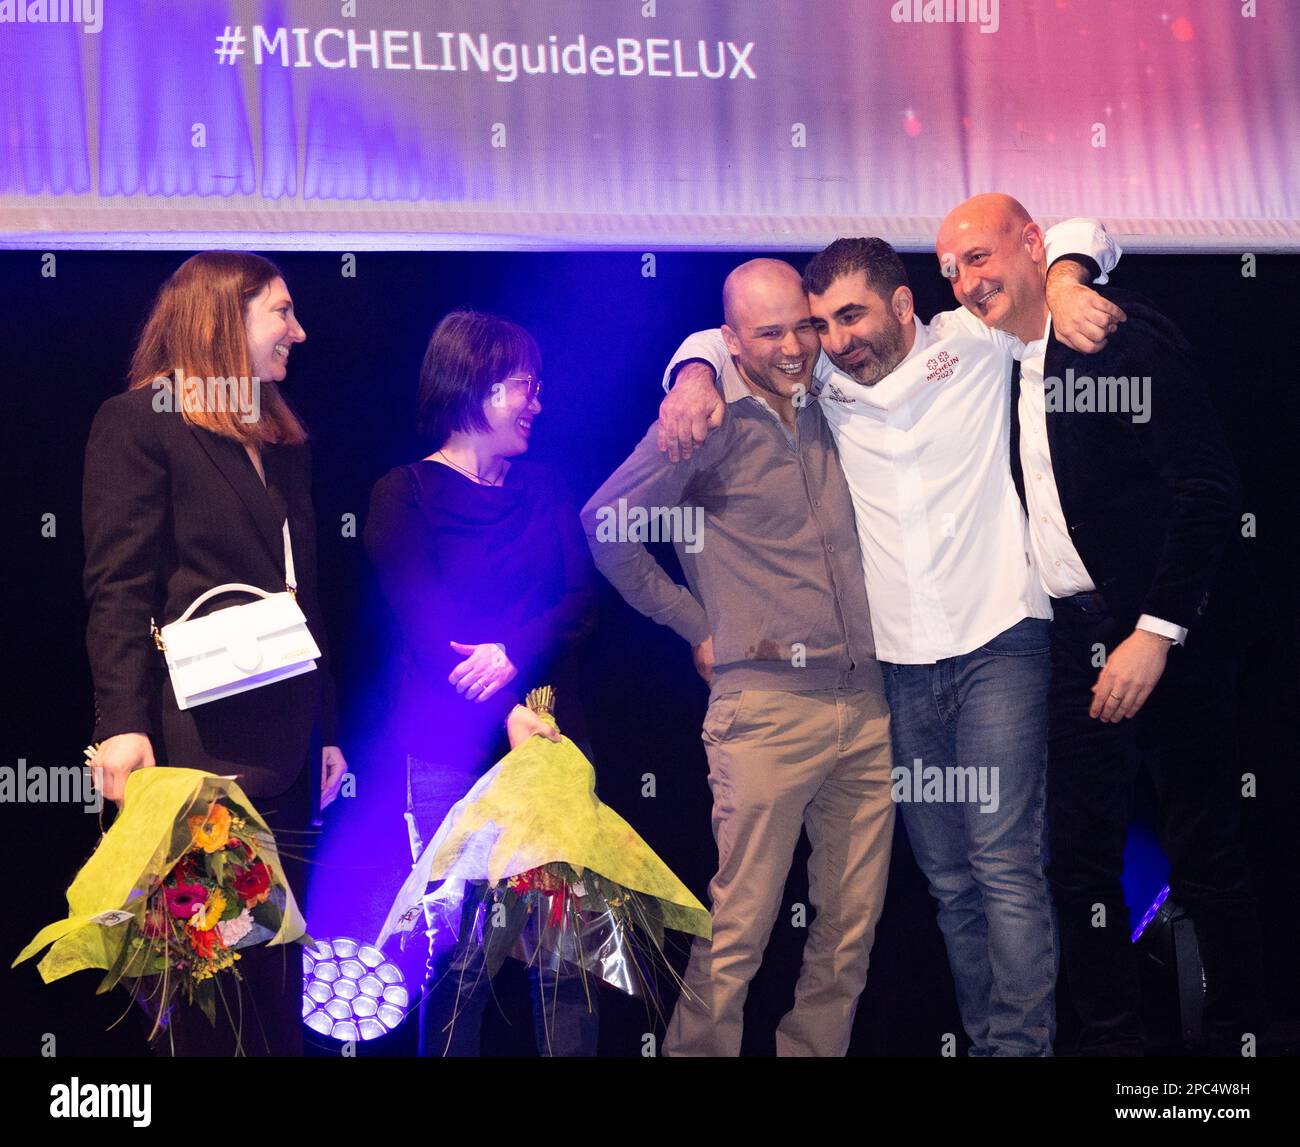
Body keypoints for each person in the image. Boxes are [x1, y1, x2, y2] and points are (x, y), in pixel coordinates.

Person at [658, 221, 1121, 1055]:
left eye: (848, 318)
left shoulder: (973, 343)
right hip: (899, 667)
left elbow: (1065, 232)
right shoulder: (825, 382)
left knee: (1004, 863)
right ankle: (990, 1037)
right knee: (947, 878)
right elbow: (730, 340)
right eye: (820, 325)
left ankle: (1018, 1047)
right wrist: (692, 369)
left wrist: (1064, 278)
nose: (832, 341)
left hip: (1000, 641)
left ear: (905, 304)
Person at [937, 193, 1265, 1055]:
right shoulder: (983, 356)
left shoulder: (1114, 334)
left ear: (1033, 246)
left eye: (978, 256)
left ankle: (1232, 1054)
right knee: (1077, 867)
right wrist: (701, 364)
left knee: (1207, 854)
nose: (966, 282)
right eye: (949, 270)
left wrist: (1155, 633)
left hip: (1170, 636)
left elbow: (1207, 488)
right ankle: (1114, 1051)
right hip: (1070, 643)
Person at [583, 260, 894, 1057]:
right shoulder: (703, 423)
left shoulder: (839, 398)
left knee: (849, 932)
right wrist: (696, 624)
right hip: (762, 711)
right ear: (731, 341)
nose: (794, 345)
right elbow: (606, 524)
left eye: (803, 325)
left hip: (867, 704)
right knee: (739, 931)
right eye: (769, 332)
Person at [82, 251, 348, 1056]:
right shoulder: (139, 423)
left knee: (276, 984)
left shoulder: (281, 437)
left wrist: (326, 725)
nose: (298, 332)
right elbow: (119, 586)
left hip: (287, 750)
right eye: (282, 312)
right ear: (223, 318)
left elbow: (301, 594)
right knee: (207, 992)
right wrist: (123, 724)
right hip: (196, 748)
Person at [363, 309, 599, 1057]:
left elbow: (583, 599)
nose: (536, 403)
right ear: (472, 386)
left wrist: (513, 650)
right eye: (522, 387)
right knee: (461, 958)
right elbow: (429, 625)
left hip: (551, 746)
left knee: (566, 957)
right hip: (450, 758)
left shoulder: (546, 488)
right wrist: (503, 710)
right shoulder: (403, 493)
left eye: (536, 387)